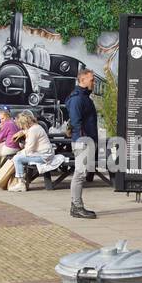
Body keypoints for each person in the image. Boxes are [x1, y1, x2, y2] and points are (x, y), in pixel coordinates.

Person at [65, 68, 98, 219]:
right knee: (79, 174)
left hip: (84, 141)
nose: (94, 82)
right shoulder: (78, 98)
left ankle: (76, 206)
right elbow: (76, 122)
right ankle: (77, 207)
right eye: (91, 79)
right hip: (82, 142)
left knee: (81, 174)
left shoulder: (84, 97)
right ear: (82, 80)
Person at [9, 110, 54, 192]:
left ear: (25, 123)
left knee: (17, 159)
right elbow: (25, 132)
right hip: (44, 154)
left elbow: (29, 149)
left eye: (21, 125)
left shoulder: (33, 130)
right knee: (18, 157)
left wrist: (19, 153)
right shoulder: (35, 127)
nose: (21, 127)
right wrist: (21, 132)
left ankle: (21, 183)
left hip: (43, 156)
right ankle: (22, 180)